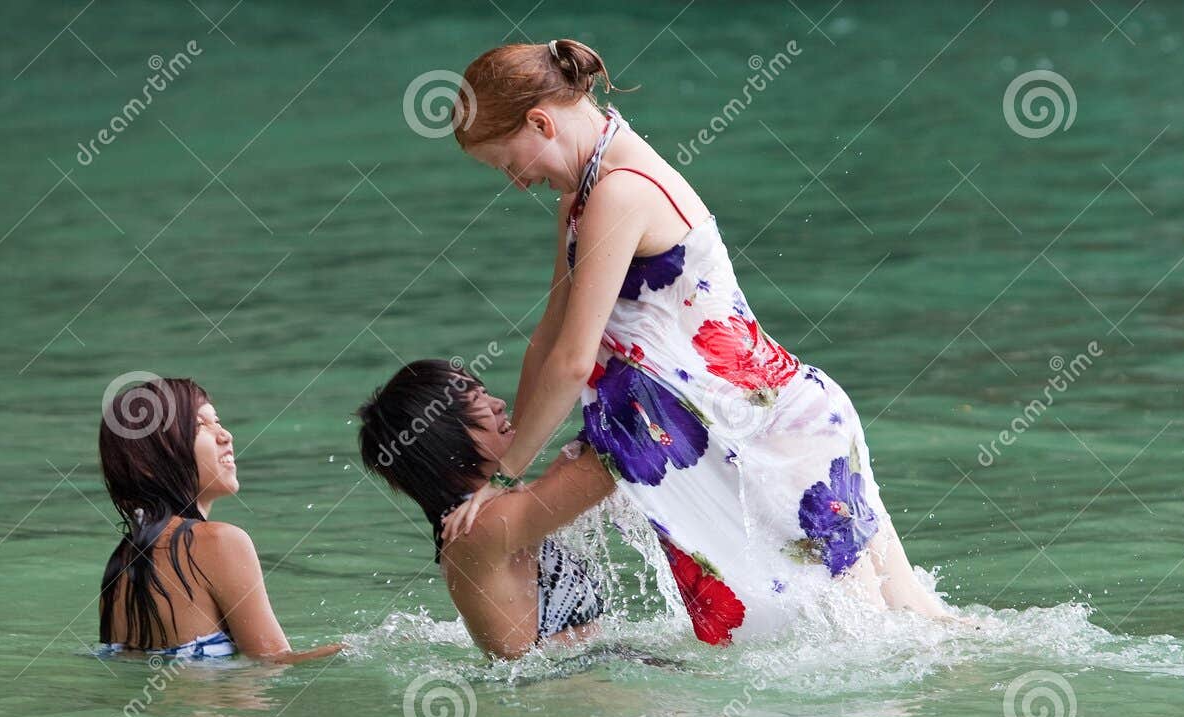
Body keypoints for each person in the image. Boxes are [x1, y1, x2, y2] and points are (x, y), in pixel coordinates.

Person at [440, 39, 951, 644]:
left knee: (874, 647)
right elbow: (548, 337)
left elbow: (574, 361)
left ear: (540, 123)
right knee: (912, 631)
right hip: (763, 425)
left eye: (508, 163)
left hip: (773, 438)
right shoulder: (583, 196)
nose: (518, 182)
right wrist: (510, 470)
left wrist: (504, 478)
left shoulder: (619, 192)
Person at [358, 359, 615, 659]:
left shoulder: (493, 512)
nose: (499, 404)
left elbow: (592, 453)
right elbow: (611, 465)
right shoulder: (481, 526)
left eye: (484, 391)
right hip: (567, 684)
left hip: (584, 676)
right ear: (444, 437)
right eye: (475, 399)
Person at [98, 376, 343, 663]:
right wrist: (357, 649)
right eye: (199, 425)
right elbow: (274, 663)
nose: (225, 435)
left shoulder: (122, 564)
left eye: (217, 421)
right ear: (149, 462)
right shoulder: (220, 541)